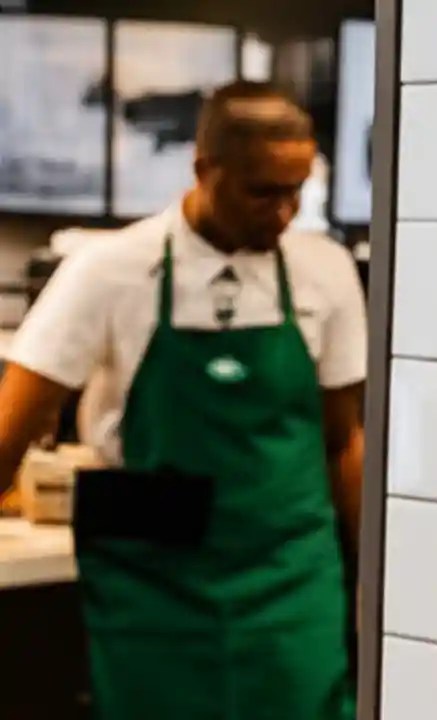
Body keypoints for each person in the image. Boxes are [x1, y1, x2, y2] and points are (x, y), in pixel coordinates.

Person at [0, 81, 366, 719]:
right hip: (155, 592)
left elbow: (343, 440)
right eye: (262, 193)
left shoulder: (324, 270)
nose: (283, 214)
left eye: (296, 192)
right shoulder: (109, 269)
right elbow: (9, 430)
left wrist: (371, 584)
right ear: (204, 170)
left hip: (290, 583)